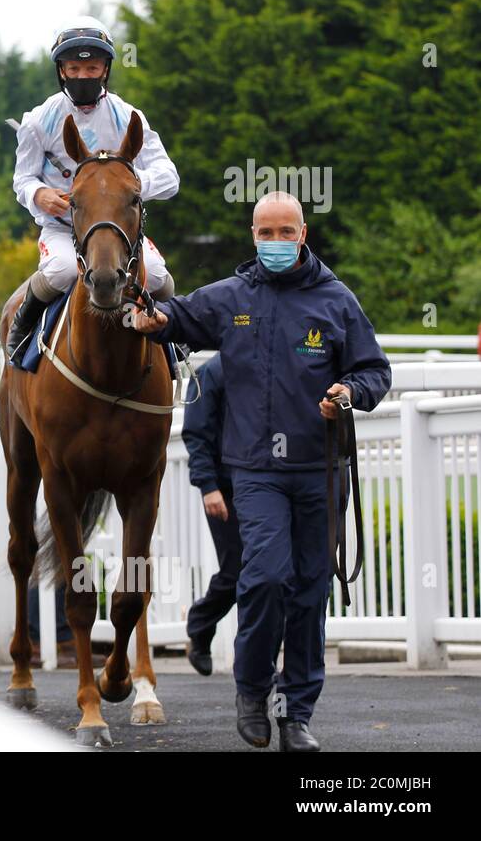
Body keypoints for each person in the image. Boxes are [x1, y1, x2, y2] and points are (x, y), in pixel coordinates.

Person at [134, 192, 391, 752]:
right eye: (265, 233)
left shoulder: (336, 301)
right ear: (253, 236)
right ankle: (252, 692)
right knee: (266, 577)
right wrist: (149, 317)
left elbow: (374, 369)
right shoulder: (231, 298)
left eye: (285, 232)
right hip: (255, 471)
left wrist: (350, 391)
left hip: (322, 470)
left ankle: (296, 713)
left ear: (303, 234)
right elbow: (174, 317)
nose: (275, 242)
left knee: (308, 592)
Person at [5, 16, 181, 364]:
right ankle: (21, 328)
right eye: (74, 67)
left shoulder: (129, 116)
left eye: (92, 67)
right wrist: (40, 195)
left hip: (119, 231)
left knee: (160, 278)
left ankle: (175, 344)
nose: (83, 75)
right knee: (63, 270)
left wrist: (127, 186)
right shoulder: (38, 120)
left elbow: (169, 176)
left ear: (105, 69)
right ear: (61, 71)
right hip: (64, 228)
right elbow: (22, 180)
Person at [182, 352, 242, 676]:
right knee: (236, 569)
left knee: (265, 573)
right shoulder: (210, 373)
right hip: (225, 489)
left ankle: (255, 660)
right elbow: (196, 433)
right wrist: (208, 486)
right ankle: (200, 624)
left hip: (263, 484)